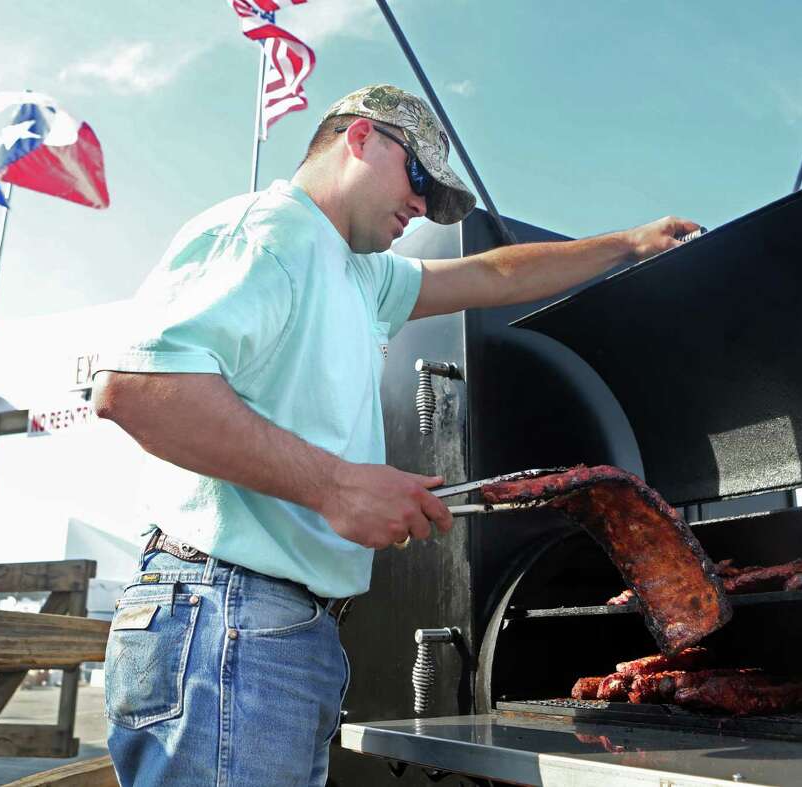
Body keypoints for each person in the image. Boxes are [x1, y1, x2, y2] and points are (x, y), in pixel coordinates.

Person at [91, 83, 700, 786]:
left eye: (435, 201)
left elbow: (490, 273)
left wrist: (628, 243)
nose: (421, 208)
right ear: (358, 138)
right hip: (227, 616)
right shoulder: (268, 232)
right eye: (419, 180)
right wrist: (336, 485)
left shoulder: (358, 274)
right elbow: (136, 389)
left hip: (272, 629)